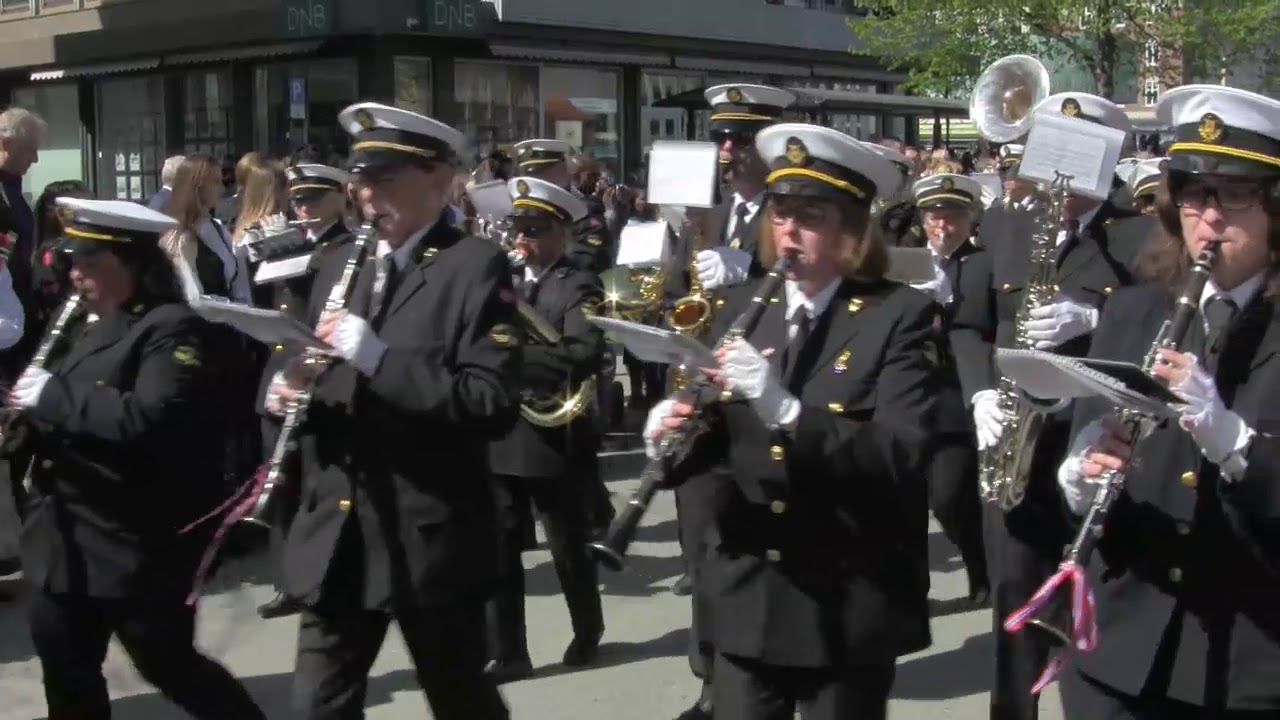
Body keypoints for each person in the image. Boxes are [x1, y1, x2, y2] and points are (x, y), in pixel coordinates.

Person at [646, 123, 940, 720]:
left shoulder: (900, 316)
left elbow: (899, 456)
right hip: (751, 587)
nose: (789, 231)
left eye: (811, 216)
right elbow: (715, 446)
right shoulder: (741, 308)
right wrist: (671, 437)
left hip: (846, 593)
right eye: (780, 214)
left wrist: (784, 410)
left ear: (852, 229)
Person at [266, 101, 517, 720]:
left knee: (459, 697)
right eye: (361, 181)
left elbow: (488, 401)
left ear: (437, 179)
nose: (367, 196)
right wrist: (281, 392)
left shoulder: (473, 266)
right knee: (315, 708)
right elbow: (301, 361)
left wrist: (377, 359)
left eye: (385, 180)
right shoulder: (336, 265)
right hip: (340, 527)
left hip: (426, 531)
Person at [1055, 84, 1280, 720]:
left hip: (1246, 662)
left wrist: (1231, 441)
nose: (1209, 219)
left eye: (1234, 195)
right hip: (1117, 652)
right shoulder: (1132, 309)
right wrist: (1077, 475)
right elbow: (1085, 445)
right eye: (1192, 192)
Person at [12, 197, 266, 720]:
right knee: (66, 672)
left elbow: (151, 420)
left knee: (168, 664)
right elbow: (53, 412)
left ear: (130, 264)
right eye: (71, 263)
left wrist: (52, 397)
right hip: (61, 534)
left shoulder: (170, 328)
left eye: (88, 263)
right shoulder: (81, 325)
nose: (75, 275)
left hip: (130, 539)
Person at [948, 92, 1154, 720]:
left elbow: (1167, 328)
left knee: (1103, 598)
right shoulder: (1006, 221)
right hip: (1016, 439)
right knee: (1014, 595)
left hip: (1097, 438)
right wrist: (978, 391)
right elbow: (969, 325)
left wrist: (1094, 315)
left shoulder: (1143, 233)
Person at [484, 176, 607, 683]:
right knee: (500, 545)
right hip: (502, 426)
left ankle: (587, 628)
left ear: (561, 234)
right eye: (518, 229)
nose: (522, 240)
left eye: (534, 230)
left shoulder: (578, 285)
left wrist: (514, 359)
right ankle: (509, 650)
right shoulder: (504, 283)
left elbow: (582, 352)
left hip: (551, 431)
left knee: (566, 544)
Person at [252, 162, 354, 620]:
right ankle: (287, 581)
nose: (305, 208)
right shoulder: (285, 243)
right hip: (279, 371)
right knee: (280, 484)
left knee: (320, 480)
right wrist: (260, 251)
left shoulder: (349, 246)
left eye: (314, 198)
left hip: (323, 370)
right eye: (298, 200)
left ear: (339, 197)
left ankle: (323, 575)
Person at [908, 172, 991, 608]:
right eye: (934, 214)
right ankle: (912, 591)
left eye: (953, 215)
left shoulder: (983, 263)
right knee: (903, 504)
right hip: (909, 398)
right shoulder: (906, 263)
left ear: (970, 219)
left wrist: (947, 301)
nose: (942, 224)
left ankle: (980, 567)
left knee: (950, 496)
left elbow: (989, 328)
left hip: (957, 399)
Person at [511, 139, 614, 275]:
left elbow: (589, 260)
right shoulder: (519, 211)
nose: (533, 181)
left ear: (563, 171)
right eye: (528, 175)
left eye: (541, 173)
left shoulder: (582, 212)